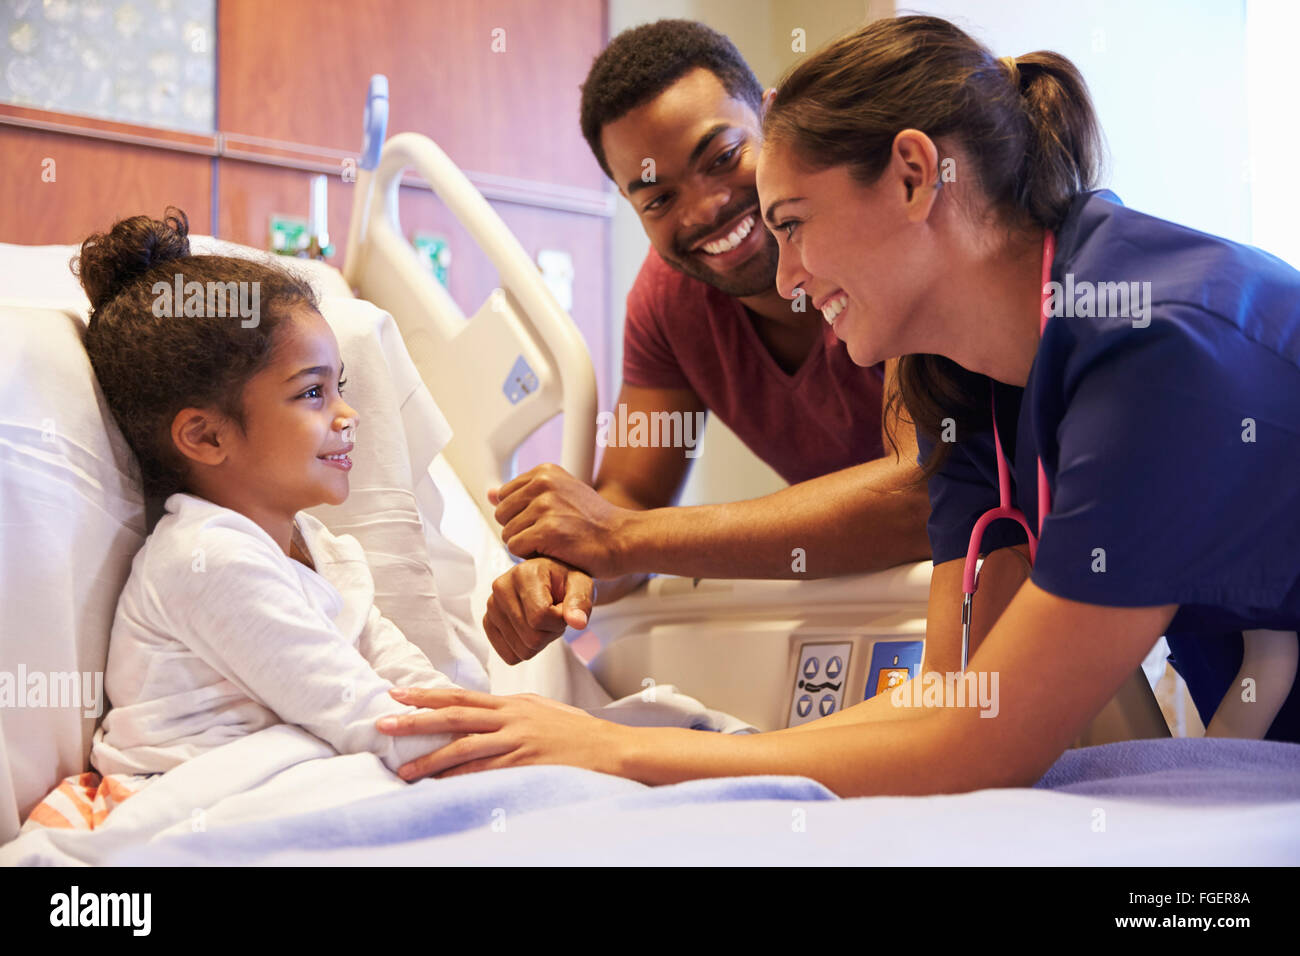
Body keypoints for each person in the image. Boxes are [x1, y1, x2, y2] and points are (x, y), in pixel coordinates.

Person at [378, 15, 1300, 795]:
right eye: (654, 195)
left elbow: (992, 740)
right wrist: (712, 754)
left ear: (911, 176)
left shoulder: (1158, 346)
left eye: (792, 225)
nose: (783, 276)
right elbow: (957, 697)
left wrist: (622, 752)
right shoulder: (962, 382)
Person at [480, 19, 931, 666]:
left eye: (722, 158)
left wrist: (621, 538)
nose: (702, 210)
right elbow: (631, 495)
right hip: (883, 605)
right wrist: (566, 568)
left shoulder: (882, 233)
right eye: (658, 198)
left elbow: (919, 494)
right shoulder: (668, 304)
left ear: (772, 117)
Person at [75, 209, 473, 788]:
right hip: (203, 802)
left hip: (298, 780)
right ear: (207, 436)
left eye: (341, 386)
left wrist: (509, 726)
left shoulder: (319, 548)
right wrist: (529, 750)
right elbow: (373, 719)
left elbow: (411, 685)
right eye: (312, 392)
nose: (348, 414)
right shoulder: (206, 560)